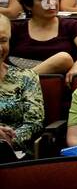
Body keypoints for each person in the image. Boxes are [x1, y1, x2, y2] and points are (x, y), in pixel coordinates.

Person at [9, 0, 77, 80]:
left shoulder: (71, 25)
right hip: (23, 89)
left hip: (62, 86)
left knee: (64, 58)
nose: (51, 3)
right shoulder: (16, 29)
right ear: (28, 5)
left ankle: (22, 81)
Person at [0, 15, 43, 162]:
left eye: (3, 41)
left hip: (14, 153)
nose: (0, 48)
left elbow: (34, 123)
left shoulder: (26, 77)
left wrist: (7, 140)